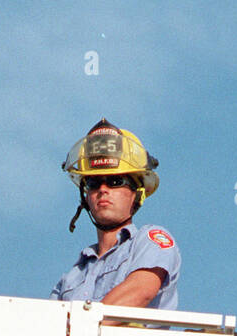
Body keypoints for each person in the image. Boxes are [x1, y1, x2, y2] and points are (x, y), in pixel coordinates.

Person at [51, 118, 180, 310]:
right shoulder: (72, 277)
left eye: (115, 181)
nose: (103, 189)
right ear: (85, 197)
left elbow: (139, 291)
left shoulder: (149, 241)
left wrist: (81, 328)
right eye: (93, 184)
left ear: (137, 193)